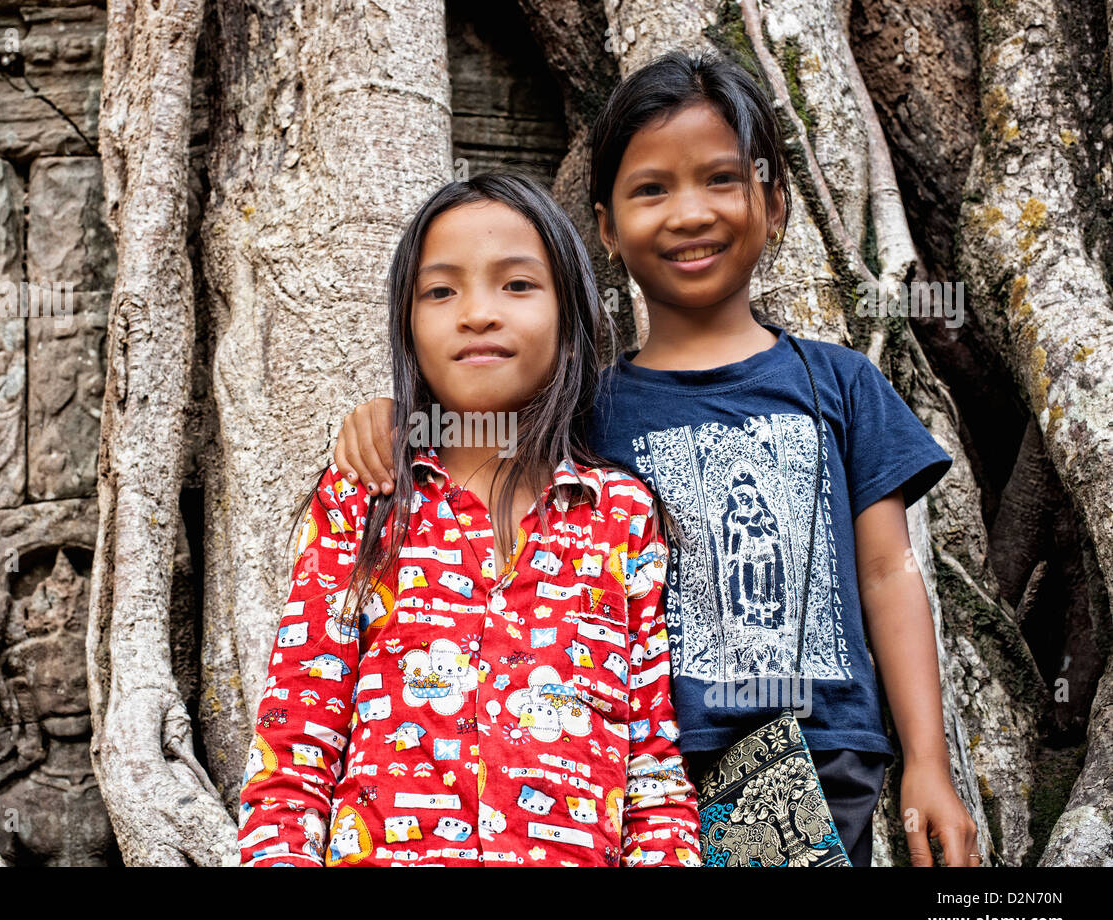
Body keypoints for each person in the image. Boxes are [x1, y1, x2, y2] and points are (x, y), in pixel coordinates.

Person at [331, 51, 980, 867]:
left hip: (816, 754)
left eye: (719, 179)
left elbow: (890, 573)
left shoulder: (841, 382)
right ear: (605, 226)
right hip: (641, 769)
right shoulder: (581, 410)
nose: (689, 213)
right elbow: (478, 441)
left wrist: (928, 760)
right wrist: (395, 418)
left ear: (773, 203)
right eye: (651, 190)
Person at [237, 170, 701, 867]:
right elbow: (291, 758)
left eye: (517, 285)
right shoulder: (364, 499)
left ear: (572, 320)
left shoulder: (621, 519)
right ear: (408, 325)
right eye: (441, 290)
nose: (478, 312)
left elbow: (653, 782)